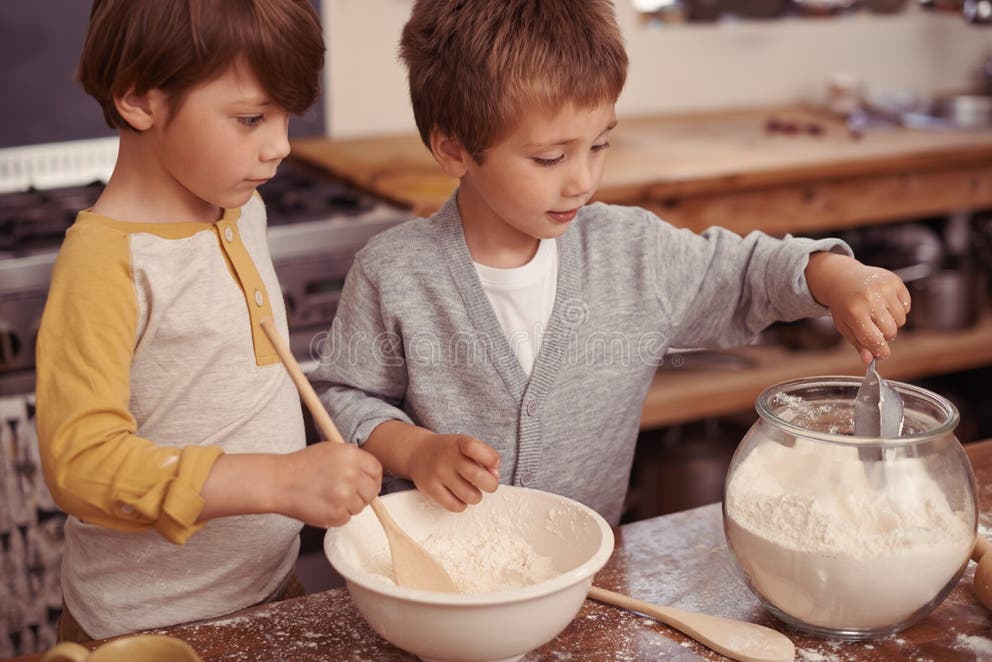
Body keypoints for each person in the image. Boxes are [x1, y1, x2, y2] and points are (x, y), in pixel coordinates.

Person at [309, 0, 910, 525]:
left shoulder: (631, 252)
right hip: (432, 568)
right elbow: (341, 394)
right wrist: (415, 451)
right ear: (455, 149)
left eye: (599, 145)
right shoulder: (396, 272)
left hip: (585, 576)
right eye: (550, 158)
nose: (583, 181)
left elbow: (744, 272)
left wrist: (835, 277)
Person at [34, 0, 382, 642]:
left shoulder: (238, 209)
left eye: (285, 116)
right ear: (139, 99)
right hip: (150, 628)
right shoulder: (106, 263)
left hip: (268, 587)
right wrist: (279, 480)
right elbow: (80, 465)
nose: (280, 144)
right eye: (251, 118)